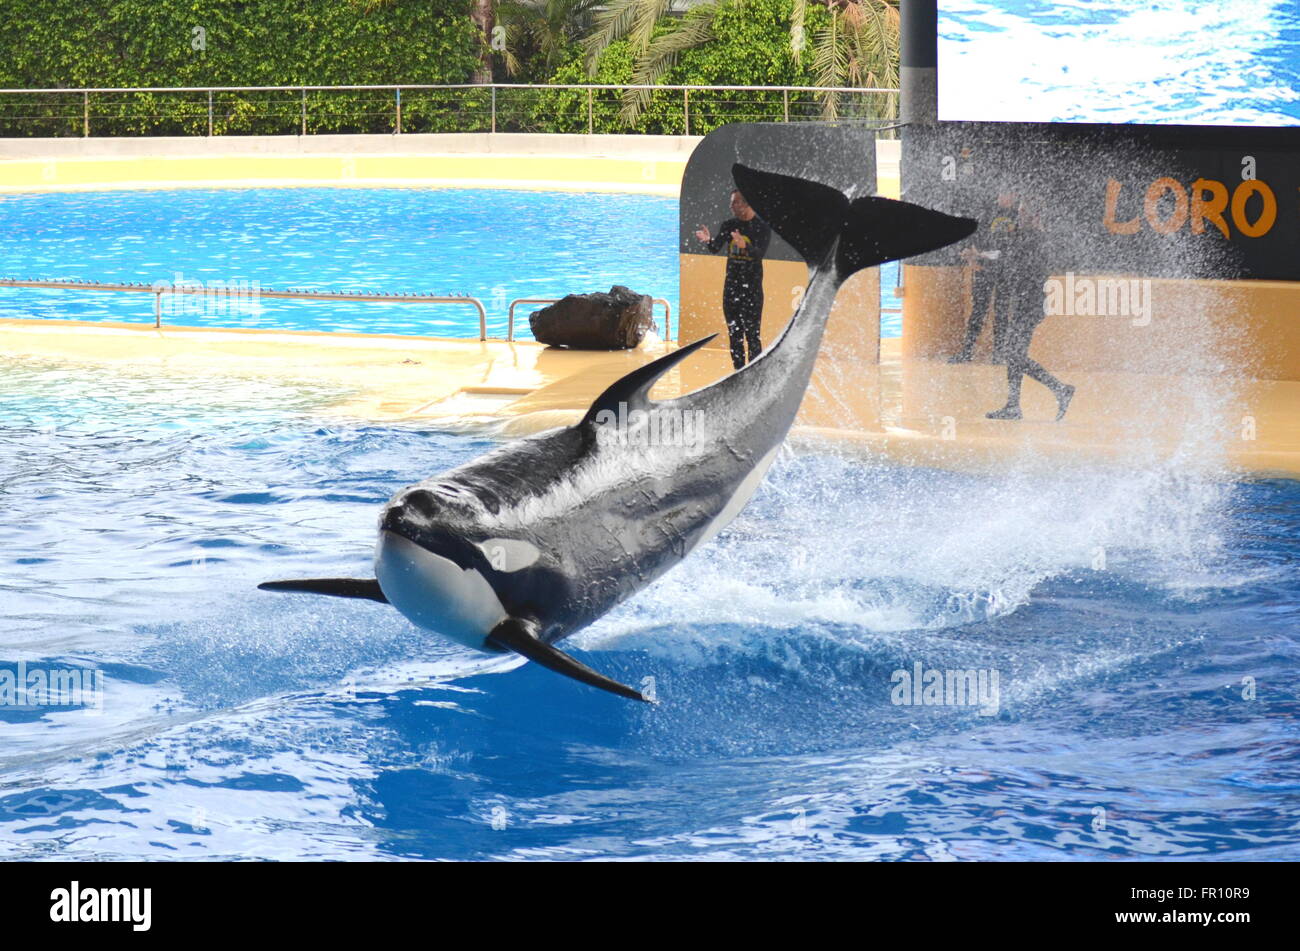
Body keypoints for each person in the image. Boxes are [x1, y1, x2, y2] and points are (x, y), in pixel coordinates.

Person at [985, 197, 1075, 421]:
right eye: (1020, 213)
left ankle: (1059, 389)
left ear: (1035, 217)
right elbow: (1007, 259)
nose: (1019, 218)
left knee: (1012, 354)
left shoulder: (1034, 239)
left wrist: (983, 258)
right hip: (1026, 302)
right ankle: (1013, 405)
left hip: (1030, 304)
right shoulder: (1031, 237)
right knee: (1015, 355)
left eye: (1024, 214)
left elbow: (1011, 261)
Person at [695, 189, 771, 369]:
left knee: (752, 335)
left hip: (752, 289)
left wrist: (745, 246)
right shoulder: (729, 225)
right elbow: (715, 247)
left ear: (746, 204)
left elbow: (759, 254)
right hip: (731, 288)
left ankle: (753, 373)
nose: (731, 206)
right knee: (734, 334)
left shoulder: (762, 227)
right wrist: (708, 240)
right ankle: (738, 371)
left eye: (734, 202)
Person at [950, 191, 1019, 364]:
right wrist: (971, 253)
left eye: (1009, 195)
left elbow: (1013, 249)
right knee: (978, 311)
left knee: (1001, 313)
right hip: (984, 270)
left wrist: (980, 254)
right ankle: (967, 351)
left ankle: (999, 353)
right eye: (1002, 194)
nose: (1005, 198)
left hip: (1006, 272)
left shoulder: (1018, 216)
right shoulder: (988, 213)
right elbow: (976, 237)